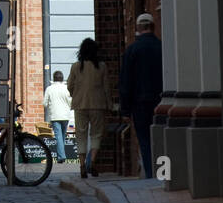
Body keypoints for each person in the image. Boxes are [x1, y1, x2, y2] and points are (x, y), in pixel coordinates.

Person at [119, 13, 164, 179]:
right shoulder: (162, 47)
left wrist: (125, 110)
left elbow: (126, 82)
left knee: (144, 140)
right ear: (153, 27)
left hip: (139, 103)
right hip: (162, 100)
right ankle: (162, 174)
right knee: (161, 139)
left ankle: (151, 174)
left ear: (138, 28)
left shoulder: (132, 50)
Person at [67, 38, 111, 178]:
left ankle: (81, 165)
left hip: (80, 104)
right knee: (96, 134)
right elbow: (106, 88)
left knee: (81, 134)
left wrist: (76, 94)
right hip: (97, 104)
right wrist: (109, 104)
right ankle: (91, 161)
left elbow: (69, 86)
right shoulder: (101, 66)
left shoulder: (76, 66)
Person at [43, 71, 72, 163]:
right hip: (65, 115)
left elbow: (44, 103)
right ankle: (61, 155)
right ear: (62, 78)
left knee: (59, 136)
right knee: (62, 136)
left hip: (55, 115)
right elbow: (71, 101)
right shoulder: (66, 88)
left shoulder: (49, 89)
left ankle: (61, 156)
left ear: (54, 78)